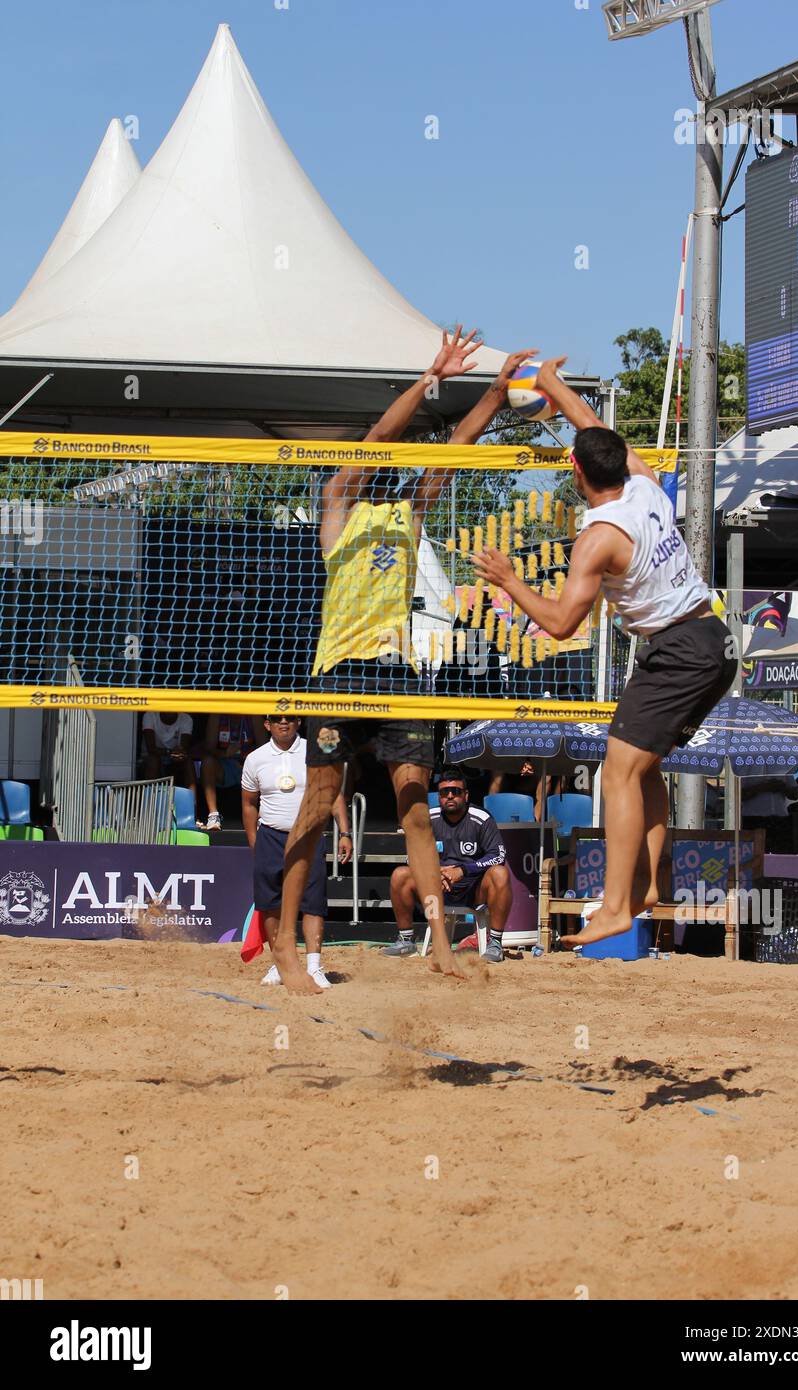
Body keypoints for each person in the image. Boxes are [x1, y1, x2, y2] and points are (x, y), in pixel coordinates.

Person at [272, 332, 538, 992]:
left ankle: (440, 944)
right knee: (317, 805)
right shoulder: (337, 507)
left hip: (394, 674)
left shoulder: (408, 516)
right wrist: (430, 378)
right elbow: (376, 444)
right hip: (339, 675)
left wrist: (499, 393)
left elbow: (454, 451)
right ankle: (282, 936)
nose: (378, 469)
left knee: (415, 810)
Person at [473, 355, 738, 947]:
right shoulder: (643, 484)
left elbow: (565, 625)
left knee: (615, 772)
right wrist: (550, 383)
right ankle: (646, 884)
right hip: (715, 643)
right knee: (643, 769)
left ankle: (617, 905)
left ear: (574, 470)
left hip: (678, 651)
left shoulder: (597, 538)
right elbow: (590, 422)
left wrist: (509, 580)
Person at [241, 714, 351, 990]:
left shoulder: (314, 751)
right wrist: (255, 841)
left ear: (298, 722)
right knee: (270, 903)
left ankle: (314, 966)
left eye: (289, 718)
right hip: (271, 835)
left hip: (309, 835)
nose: (283, 722)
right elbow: (248, 804)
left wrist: (345, 832)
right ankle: (281, 963)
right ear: (266, 724)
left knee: (313, 902)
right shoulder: (255, 758)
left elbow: (334, 793)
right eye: (276, 719)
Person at [385, 767, 512, 962]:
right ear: (439, 797)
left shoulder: (481, 818)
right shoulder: (428, 817)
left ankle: (495, 943)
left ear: (466, 795)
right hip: (435, 888)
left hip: (473, 889)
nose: (450, 796)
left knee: (500, 874)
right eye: (445, 792)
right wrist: (434, 872)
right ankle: (406, 940)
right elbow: (413, 856)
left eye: (456, 791)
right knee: (400, 875)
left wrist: (463, 870)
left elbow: (498, 854)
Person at [200, 713, 265, 830]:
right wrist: (225, 754)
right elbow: (209, 748)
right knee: (207, 762)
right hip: (225, 765)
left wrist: (247, 759)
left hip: (248, 764)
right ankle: (213, 815)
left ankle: (262, 817)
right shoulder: (217, 715)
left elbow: (264, 746)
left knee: (265, 766)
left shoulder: (253, 715)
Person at [141, 711, 196, 793]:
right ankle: (149, 801)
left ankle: (192, 802)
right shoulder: (150, 715)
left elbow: (183, 749)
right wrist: (170, 752)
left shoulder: (186, 718)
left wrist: (178, 753)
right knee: (153, 760)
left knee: (188, 761)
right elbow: (151, 748)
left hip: (174, 759)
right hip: (152, 757)